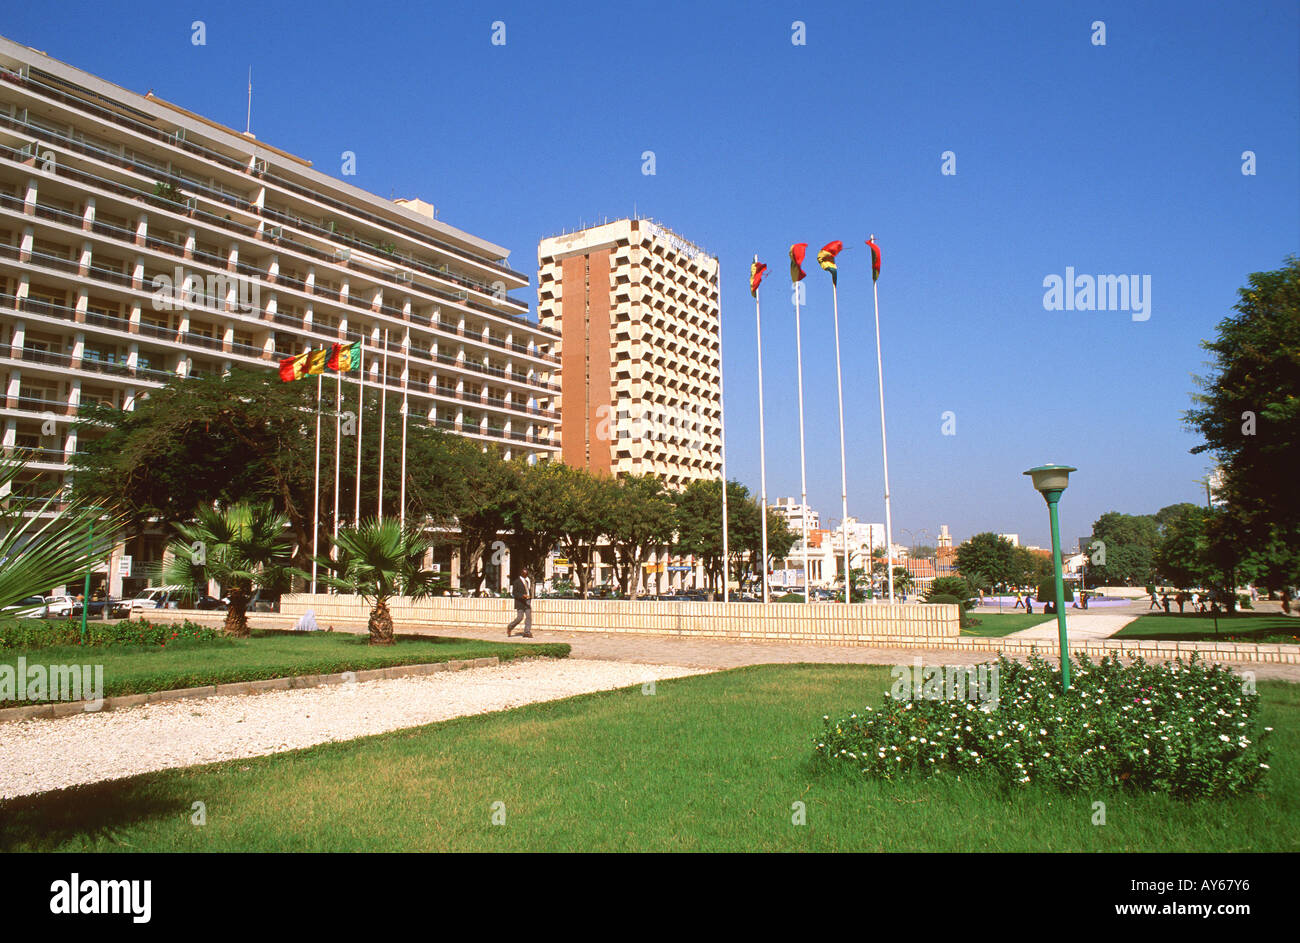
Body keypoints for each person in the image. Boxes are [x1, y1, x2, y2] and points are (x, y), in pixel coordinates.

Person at [507, 566, 533, 638]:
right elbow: (514, 593)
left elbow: (528, 590)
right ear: (521, 573)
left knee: (529, 617)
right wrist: (522, 596)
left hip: (527, 601)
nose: (526, 574)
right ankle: (510, 627)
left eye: (526, 572)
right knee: (519, 618)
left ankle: (527, 632)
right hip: (520, 602)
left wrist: (529, 596)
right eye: (524, 572)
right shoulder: (516, 582)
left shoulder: (527, 581)